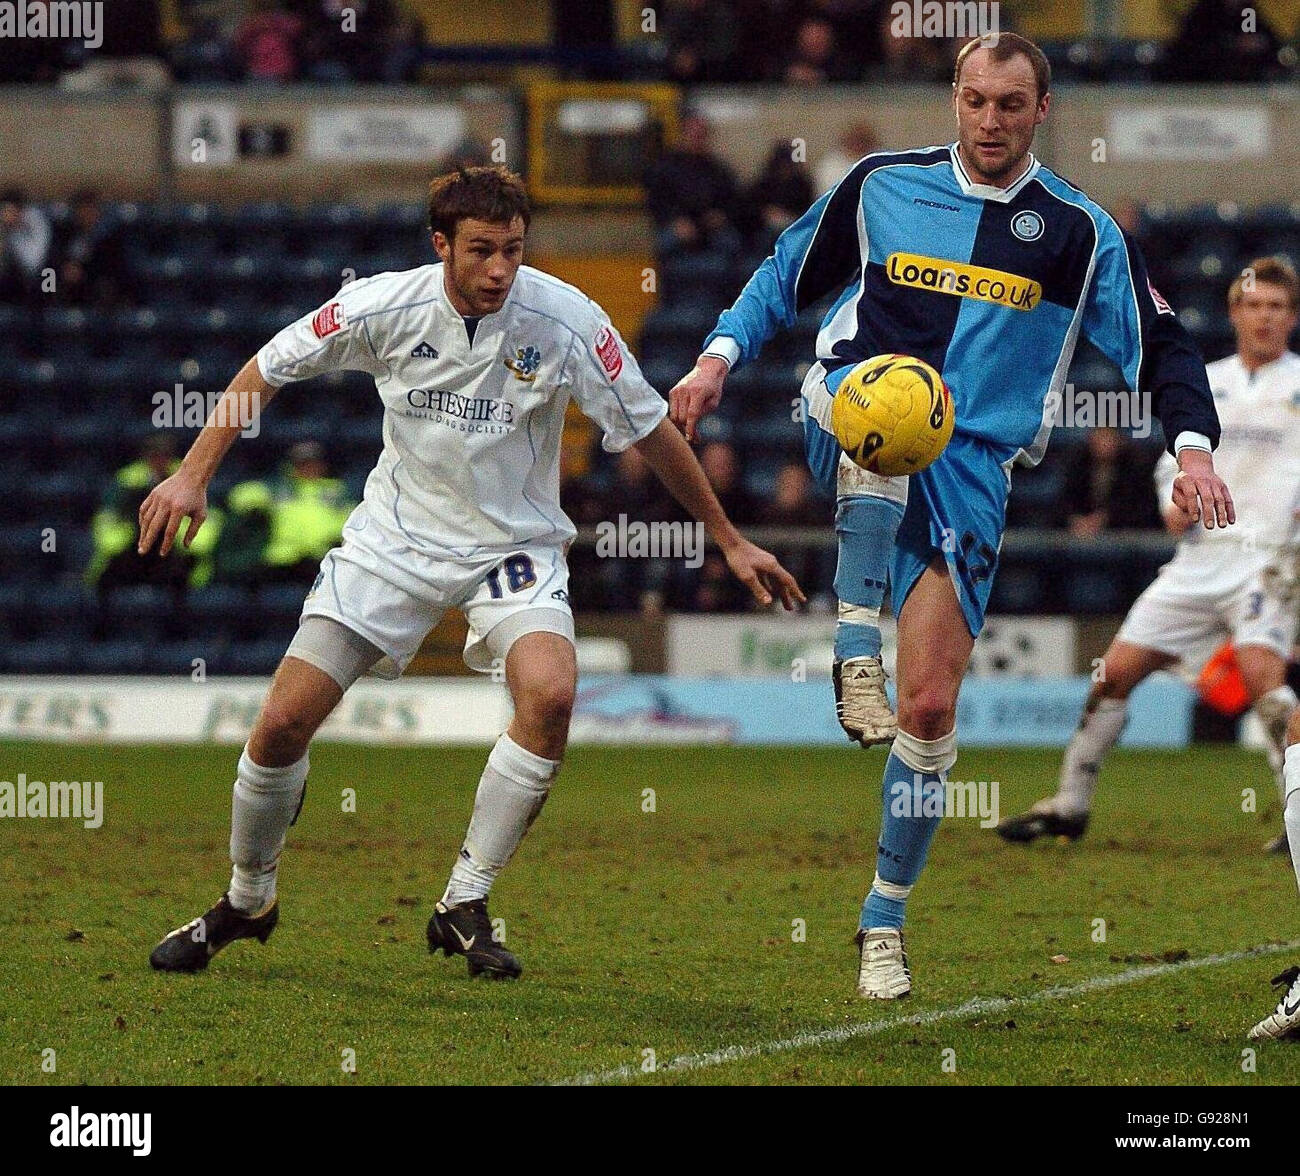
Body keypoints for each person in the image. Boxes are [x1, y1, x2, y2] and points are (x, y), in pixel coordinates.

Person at [668, 34, 1230, 1000]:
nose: (990, 121)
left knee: (928, 711)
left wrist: (1191, 450)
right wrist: (716, 355)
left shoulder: (1079, 231)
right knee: (890, 413)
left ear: (1041, 110)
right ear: (954, 100)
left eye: (1011, 105)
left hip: (976, 466)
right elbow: (787, 272)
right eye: (974, 101)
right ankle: (852, 646)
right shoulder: (883, 183)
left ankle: (883, 919)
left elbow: (1162, 346)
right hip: (852, 395)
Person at [142, 165, 802, 979]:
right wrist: (193, 474)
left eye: (514, 251)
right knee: (279, 727)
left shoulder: (564, 321)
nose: (499, 270)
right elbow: (265, 369)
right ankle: (247, 899)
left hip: (513, 549)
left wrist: (728, 538)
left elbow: (651, 429)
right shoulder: (384, 306)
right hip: (394, 543)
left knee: (552, 695)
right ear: (441, 245)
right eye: (482, 251)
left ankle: (463, 900)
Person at [997, 257, 1300, 853]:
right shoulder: (1204, 383)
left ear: (1291, 317)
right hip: (1196, 559)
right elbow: (1170, 469)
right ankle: (1070, 803)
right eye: (1253, 304)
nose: (1264, 317)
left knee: (1265, 679)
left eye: (1277, 306)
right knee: (1113, 672)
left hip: (1268, 561)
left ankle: (1295, 816)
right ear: (1234, 312)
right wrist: (1173, 502)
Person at [216, 441, 354, 586]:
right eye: (303, 463)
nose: (309, 468)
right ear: (291, 465)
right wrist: (257, 506)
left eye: (313, 463)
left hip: (321, 556)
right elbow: (240, 497)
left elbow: (351, 519)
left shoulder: (335, 491)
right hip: (282, 559)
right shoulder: (278, 488)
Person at [643, 113, 742, 255]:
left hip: (711, 229)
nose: (697, 139)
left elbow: (732, 200)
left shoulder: (717, 169)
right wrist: (675, 221)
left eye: (701, 135)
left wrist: (721, 215)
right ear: (683, 134)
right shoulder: (665, 167)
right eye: (693, 134)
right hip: (676, 226)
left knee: (732, 244)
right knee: (663, 245)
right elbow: (656, 201)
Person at [1058, 426, 1162, 536]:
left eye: (1108, 437)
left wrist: (1104, 519)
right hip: (1079, 531)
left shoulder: (1135, 466)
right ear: (1091, 438)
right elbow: (1065, 500)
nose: (1104, 443)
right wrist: (1075, 519)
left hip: (1123, 533)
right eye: (1100, 436)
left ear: (1119, 440)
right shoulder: (1077, 463)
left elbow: (1138, 506)